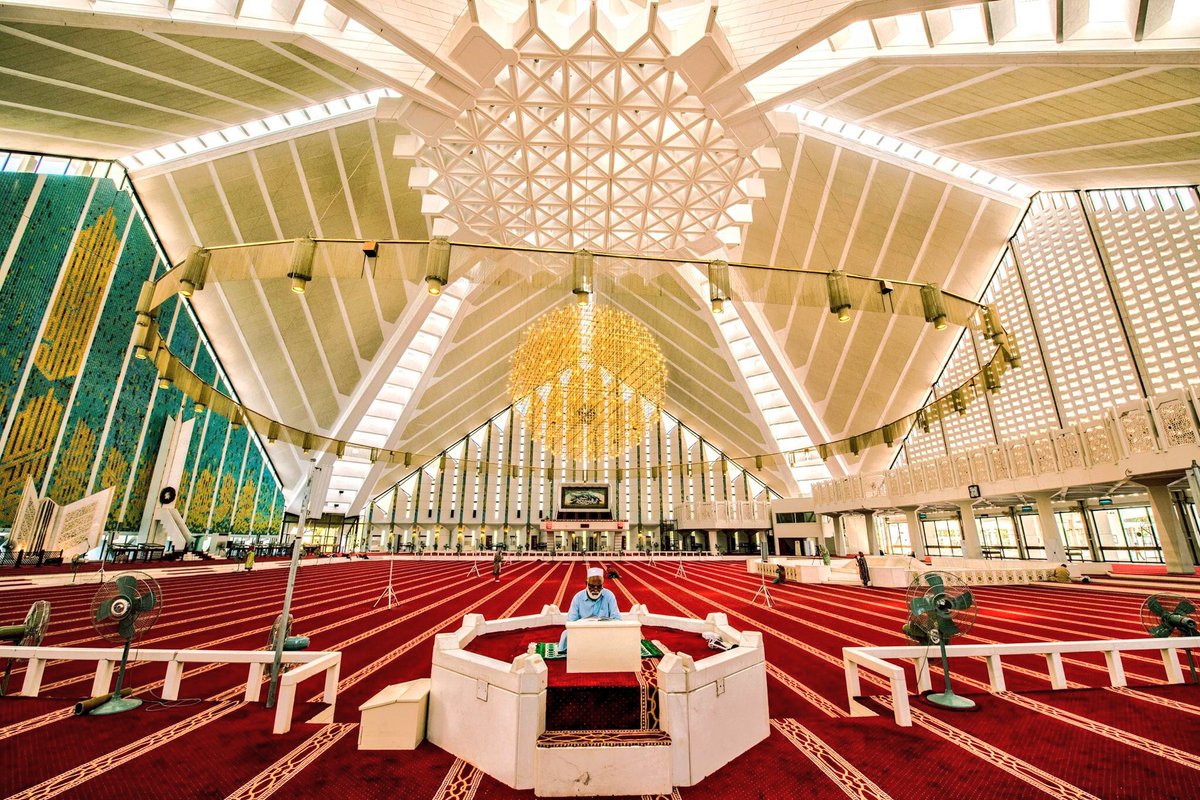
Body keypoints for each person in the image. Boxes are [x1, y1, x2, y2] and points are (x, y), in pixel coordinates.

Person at [556, 567, 620, 653]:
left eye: (599, 587)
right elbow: (571, 622)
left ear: (602, 585)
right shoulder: (578, 597)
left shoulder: (609, 596)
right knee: (566, 634)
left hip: (604, 632)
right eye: (592, 586)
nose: (595, 589)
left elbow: (617, 619)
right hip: (583, 632)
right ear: (586, 584)